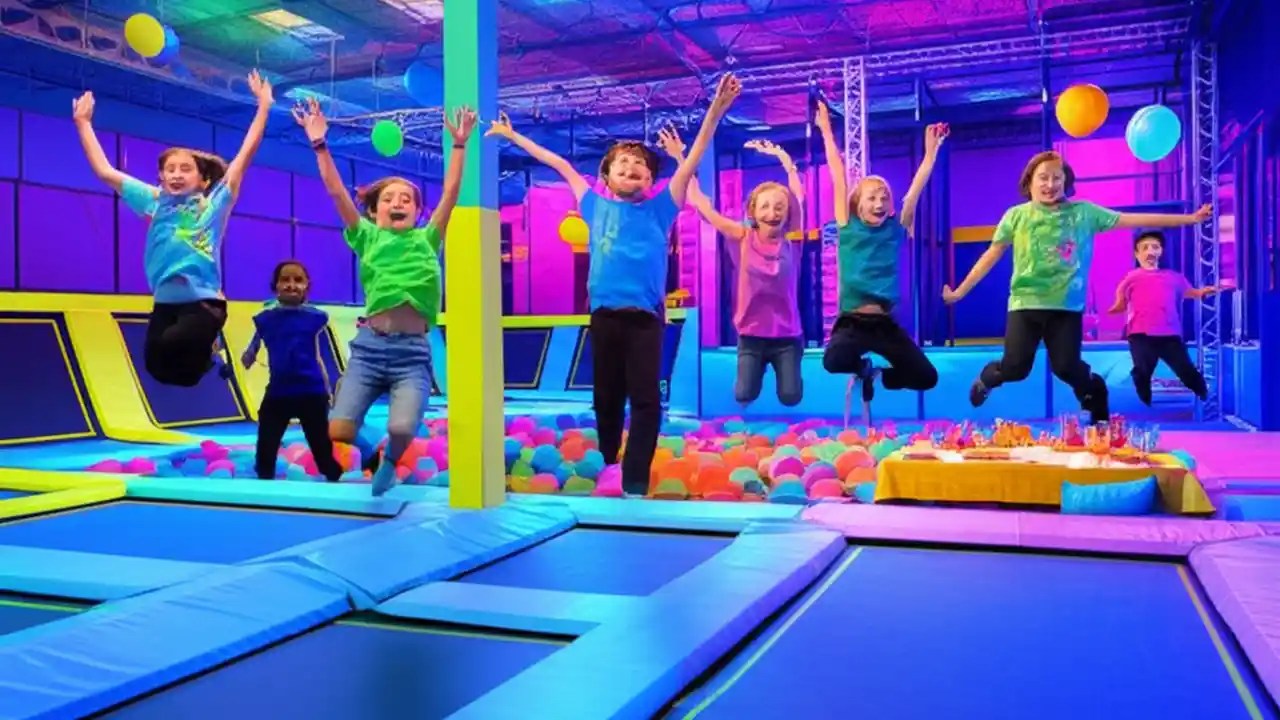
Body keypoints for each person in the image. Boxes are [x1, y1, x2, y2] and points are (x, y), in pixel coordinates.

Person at [487, 73, 742, 496]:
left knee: (644, 398)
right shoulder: (592, 205)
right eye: (622, 164)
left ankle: (636, 475)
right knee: (606, 396)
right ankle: (608, 459)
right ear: (606, 177)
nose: (631, 168)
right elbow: (560, 165)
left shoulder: (663, 208)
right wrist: (515, 137)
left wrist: (715, 110)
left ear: (649, 181)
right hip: (603, 318)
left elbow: (694, 157)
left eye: (640, 166)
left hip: (645, 319)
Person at [943, 150, 1212, 424]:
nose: (1050, 185)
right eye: (1043, 178)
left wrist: (1189, 219)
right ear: (1030, 182)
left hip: (1066, 307)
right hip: (1025, 304)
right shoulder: (1016, 216)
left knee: (1067, 368)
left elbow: (1136, 219)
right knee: (1015, 368)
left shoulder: (1084, 213)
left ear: (1065, 181)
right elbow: (990, 256)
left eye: (1056, 178)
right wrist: (960, 291)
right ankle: (986, 380)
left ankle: (1096, 399)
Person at [292, 98, 477, 496]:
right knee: (338, 430)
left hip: (412, 353)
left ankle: (390, 460)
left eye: (406, 199)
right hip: (370, 349)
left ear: (417, 212)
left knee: (401, 428)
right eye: (389, 199)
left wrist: (459, 146)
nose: (398, 203)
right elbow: (336, 192)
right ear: (375, 212)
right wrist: (319, 145)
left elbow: (450, 192)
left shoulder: (428, 239)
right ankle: (372, 455)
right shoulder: (366, 236)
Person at [74, 71, 274, 387]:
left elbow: (244, 156)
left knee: (181, 349)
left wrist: (263, 106)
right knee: (157, 367)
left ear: (204, 180)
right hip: (164, 300)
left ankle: (211, 346)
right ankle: (208, 354)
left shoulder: (213, 205)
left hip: (204, 300)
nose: (176, 174)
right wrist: (84, 124)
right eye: (170, 170)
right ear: (161, 178)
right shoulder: (154, 202)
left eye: (185, 169)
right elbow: (104, 171)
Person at [815, 102, 945, 421]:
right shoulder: (848, 226)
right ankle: (862, 368)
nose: (879, 202)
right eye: (871, 197)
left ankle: (879, 376)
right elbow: (837, 173)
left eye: (884, 197)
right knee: (832, 361)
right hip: (852, 322)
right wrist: (826, 131)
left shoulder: (896, 229)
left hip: (885, 323)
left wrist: (930, 154)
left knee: (926, 377)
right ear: (857, 204)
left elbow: (915, 191)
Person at [657, 127, 805, 408]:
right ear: (753, 212)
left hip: (787, 336)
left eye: (778, 208)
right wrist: (681, 160)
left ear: (787, 214)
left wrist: (786, 162)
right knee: (744, 394)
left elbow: (797, 198)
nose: (772, 213)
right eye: (765, 207)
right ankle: (755, 371)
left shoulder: (792, 241)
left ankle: (781, 371)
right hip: (751, 335)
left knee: (791, 397)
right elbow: (703, 208)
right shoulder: (742, 236)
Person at [242, 260, 344, 482]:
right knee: (266, 444)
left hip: (311, 391)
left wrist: (330, 391)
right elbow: (256, 341)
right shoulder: (265, 318)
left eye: (298, 280)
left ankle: (334, 475)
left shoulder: (315, 318)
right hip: (279, 391)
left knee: (321, 447)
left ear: (307, 285)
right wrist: (249, 354)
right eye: (285, 280)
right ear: (275, 285)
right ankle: (264, 479)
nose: (291, 285)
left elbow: (320, 355)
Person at [1108, 230, 1220, 405]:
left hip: (1169, 334)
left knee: (1186, 370)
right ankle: (1145, 401)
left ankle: (1204, 393)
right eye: (1145, 248)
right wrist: (1114, 309)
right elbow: (1120, 300)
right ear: (1137, 254)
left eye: (1155, 247)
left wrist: (1202, 292)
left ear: (1161, 251)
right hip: (1141, 334)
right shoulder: (1131, 278)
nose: (1150, 252)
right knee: (1143, 371)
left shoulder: (1174, 277)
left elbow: (1190, 292)